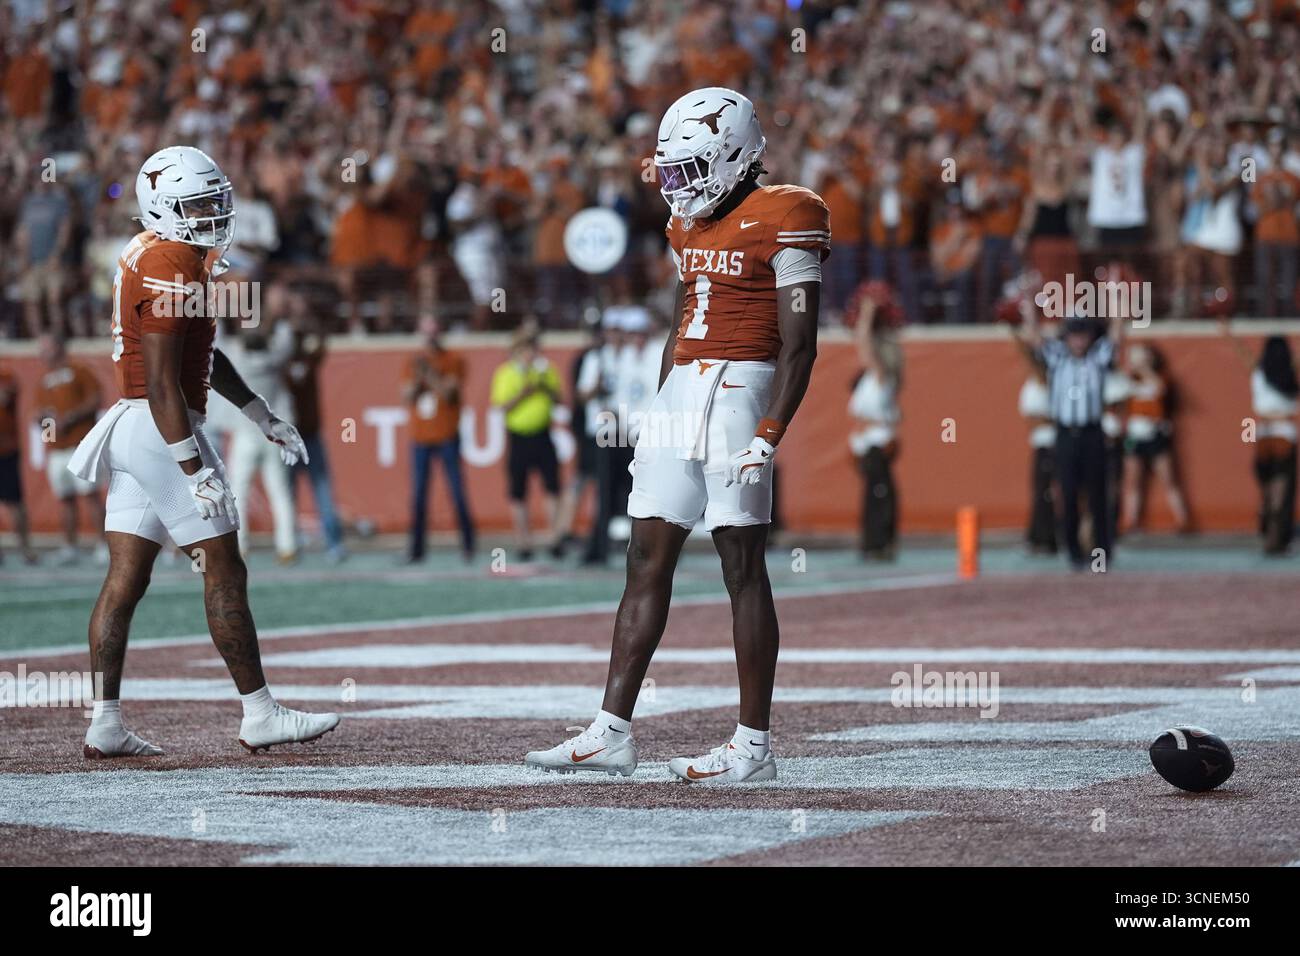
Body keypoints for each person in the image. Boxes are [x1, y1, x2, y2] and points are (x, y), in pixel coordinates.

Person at [525, 87, 828, 783]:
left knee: (740, 564)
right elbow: (680, 316)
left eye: (692, 169)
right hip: (684, 386)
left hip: (741, 387)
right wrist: (661, 399)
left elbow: (801, 344)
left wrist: (770, 431)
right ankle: (611, 731)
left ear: (733, 157)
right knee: (643, 556)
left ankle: (752, 746)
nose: (678, 185)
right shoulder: (683, 225)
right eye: (673, 170)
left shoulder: (790, 213)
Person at [68, 146, 338, 758]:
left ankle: (104, 723)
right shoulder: (171, 259)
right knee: (224, 566)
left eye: (217, 200)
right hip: (163, 426)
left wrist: (258, 412)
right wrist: (193, 467)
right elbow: (165, 379)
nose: (215, 213)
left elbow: (203, 356)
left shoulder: (161, 250)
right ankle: (259, 713)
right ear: (163, 208)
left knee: (126, 576)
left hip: (142, 426)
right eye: (200, 204)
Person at [1020, 309, 1125, 570]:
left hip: (1092, 431)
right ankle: (1073, 552)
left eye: (1083, 335)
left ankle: (1101, 554)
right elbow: (1035, 337)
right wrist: (1029, 304)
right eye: (1074, 336)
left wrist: (1117, 303)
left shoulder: (1098, 358)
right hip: (1066, 433)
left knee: (1098, 494)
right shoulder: (1058, 358)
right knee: (1067, 493)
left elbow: (1116, 338)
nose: (1078, 341)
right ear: (1066, 338)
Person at [218, 309, 299, 563]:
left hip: (246, 434)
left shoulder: (237, 358)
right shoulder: (274, 358)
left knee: (238, 492)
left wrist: (219, 312)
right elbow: (287, 341)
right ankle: (287, 547)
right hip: (272, 433)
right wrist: (279, 317)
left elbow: (218, 340)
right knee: (280, 493)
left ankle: (240, 546)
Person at [404, 314, 475, 563]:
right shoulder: (411, 361)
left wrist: (430, 374)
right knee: (419, 495)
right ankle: (416, 550)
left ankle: (468, 545)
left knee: (457, 491)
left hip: (446, 434)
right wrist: (418, 377)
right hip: (421, 437)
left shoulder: (452, 359)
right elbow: (406, 395)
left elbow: (448, 392)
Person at [490, 319, 562, 561]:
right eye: (526, 348)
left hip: (543, 434)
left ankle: (553, 537)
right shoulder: (506, 373)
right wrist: (524, 392)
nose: (531, 353)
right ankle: (523, 540)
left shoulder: (544, 369)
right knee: (518, 491)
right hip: (519, 437)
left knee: (552, 486)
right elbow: (501, 405)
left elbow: (559, 399)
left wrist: (544, 388)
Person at [1223, 324, 1297, 555]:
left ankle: (1266, 522)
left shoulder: (1258, 373)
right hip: (1285, 436)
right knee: (1281, 493)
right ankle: (1276, 537)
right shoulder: (1291, 377)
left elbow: (1242, 352)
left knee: (1266, 489)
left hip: (1262, 436)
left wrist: (1228, 332)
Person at [33, 333, 106, 565]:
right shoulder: (43, 380)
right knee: (65, 498)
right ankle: (70, 545)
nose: (42, 353)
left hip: (80, 443)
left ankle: (104, 544)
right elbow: (42, 420)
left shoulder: (78, 370)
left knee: (90, 495)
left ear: (59, 347)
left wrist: (72, 417)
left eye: (47, 347)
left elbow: (95, 398)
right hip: (58, 449)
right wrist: (45, 423)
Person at [284, 295, 346, 562]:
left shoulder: (308, 351)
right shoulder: (281, 350)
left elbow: (321, 345)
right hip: (286, 434)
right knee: (286, 492)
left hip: (308, 431)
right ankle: (288, 541)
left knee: (322, 489)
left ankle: (333, 541)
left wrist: (307, 323)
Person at [847, 289, 901, 559]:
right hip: (868, 448)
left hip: (879, 445)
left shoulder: (883, 379)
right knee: (876, 494)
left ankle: (879, 544)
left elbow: (865, 345)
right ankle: (875, 544)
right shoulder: (868, 382)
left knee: (880, 495)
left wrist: (867, 314)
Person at [1119, 343, 1190, 534]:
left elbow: (1160, 389)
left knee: (1168, 478)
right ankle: (1131, 520)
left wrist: (1144, 369)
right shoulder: (1127, 381)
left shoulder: (1159, 378)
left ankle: (1182, 519)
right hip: (1135, 436)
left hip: (1155, 435)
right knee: (1132, 480)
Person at [0, 364, 37, 565]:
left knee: (15, 503)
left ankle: (25, 547)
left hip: (5, 450)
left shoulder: (5, 375)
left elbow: (5, 397)